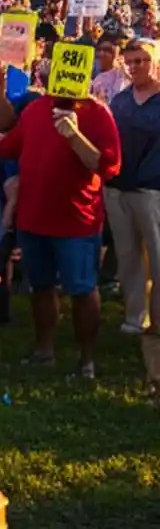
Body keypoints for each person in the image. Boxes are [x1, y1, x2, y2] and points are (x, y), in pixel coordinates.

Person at [0, 63, 122, 379]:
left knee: (82, 289)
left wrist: (75, 136)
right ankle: (44, 351)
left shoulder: (97, 113)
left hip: (76, 222)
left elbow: (106, 166)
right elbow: (8, 147)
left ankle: (86, 360)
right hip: (34, 218)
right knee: (41, 286)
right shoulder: (35, 109)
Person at [105, 40, 160, 341]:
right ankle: (135, 316)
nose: (136, 65)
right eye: (131, 61)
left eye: (142, 60)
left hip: (153, 190)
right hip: (119, 189)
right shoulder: (120, 101)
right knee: (128, 258)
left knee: (158, 256)